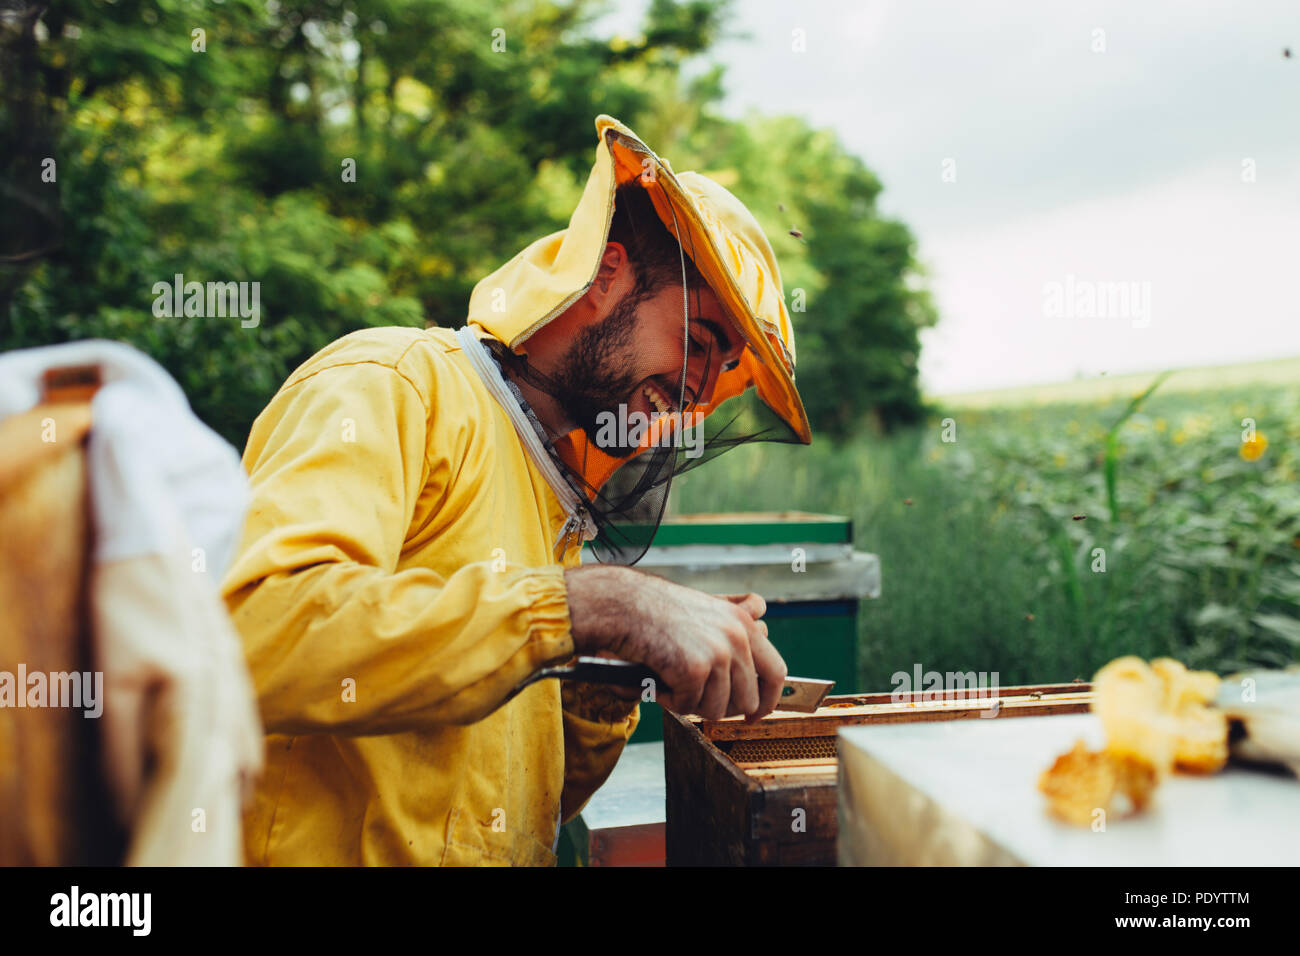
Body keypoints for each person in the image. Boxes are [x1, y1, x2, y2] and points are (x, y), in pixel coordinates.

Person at [221, 115, 813, 865]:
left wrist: (615, 671)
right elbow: (256, 635)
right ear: (605, 278)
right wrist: (597, 603)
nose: (697, 388)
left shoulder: (549, 497)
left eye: (719, 370)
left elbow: (508, 809)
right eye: (697, 342)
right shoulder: (394, 383)